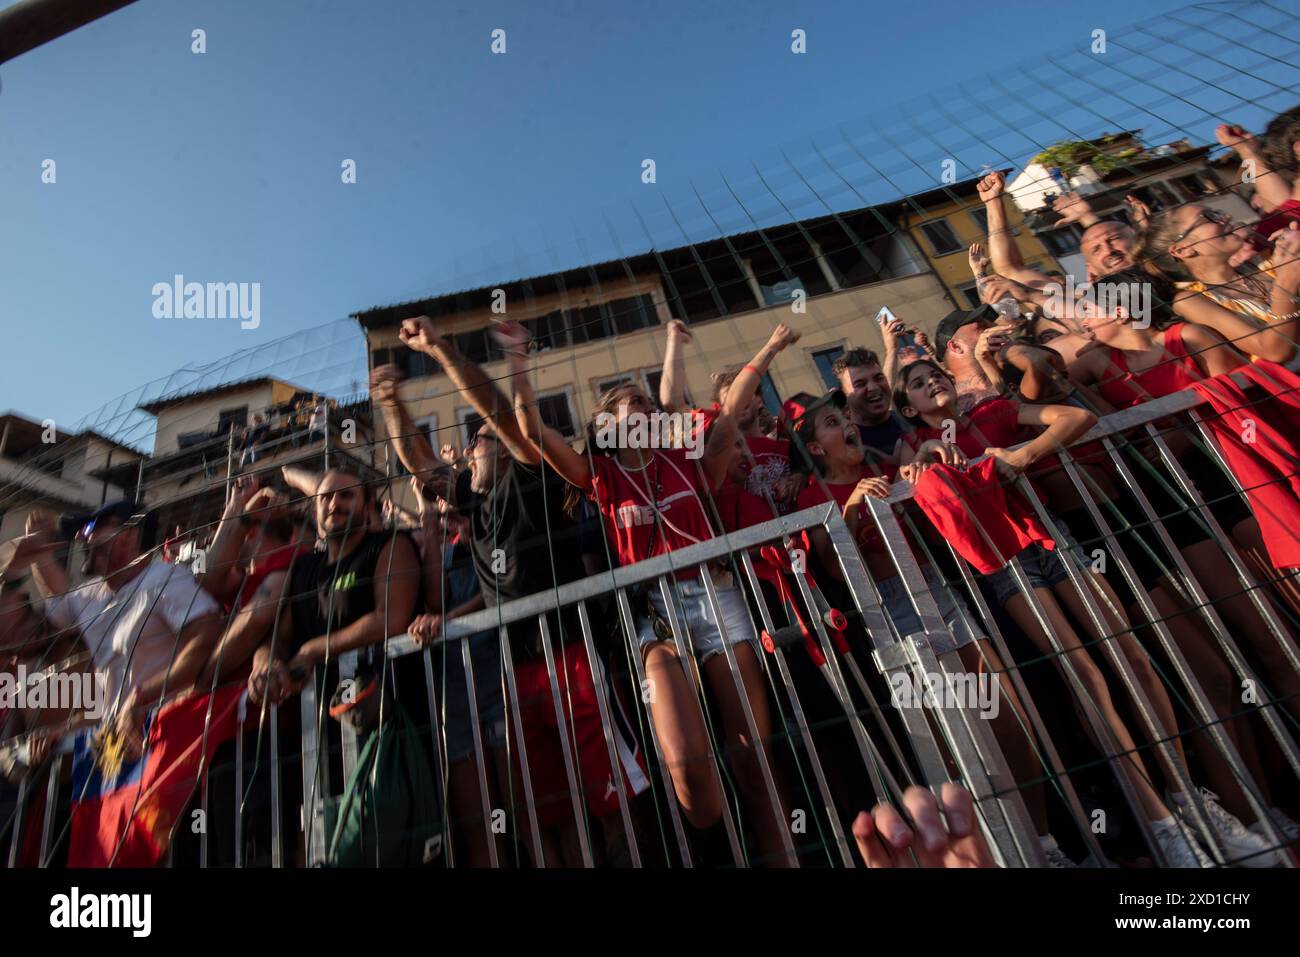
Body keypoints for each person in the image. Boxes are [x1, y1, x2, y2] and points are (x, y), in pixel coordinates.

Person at [895, 359, 1263, 866]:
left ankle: (1189, 800)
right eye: (917, 384)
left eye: (937, 373)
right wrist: (929, 453)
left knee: (1132, 657)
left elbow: (1074, 418)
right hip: (1003, 563)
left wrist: (1023, 455)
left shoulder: (997, 412)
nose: (932, 383)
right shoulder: (916, 449)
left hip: (1052, 537)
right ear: (908, 406)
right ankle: (1161, 822)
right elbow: (911, 479)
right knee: (1086, 675)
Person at [503, 315, 794, 866]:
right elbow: (533, 430)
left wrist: (772, 347)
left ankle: (781, 852)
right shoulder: (601, 477)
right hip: (654, 617)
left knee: (754, 761)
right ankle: (717, 837)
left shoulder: (689, 458)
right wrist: (519, 361)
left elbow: (731, 410)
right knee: (693, 784)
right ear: (607, 425)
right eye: (621, 403)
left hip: (718, 598)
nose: (635, 406)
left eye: (642, 400)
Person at [389, 314, 649, 867]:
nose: (467, 449)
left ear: (498, 448)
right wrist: (390, 400)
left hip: (570, 654)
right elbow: (417, 459)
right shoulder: (473, 501)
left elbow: (499, 413)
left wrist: (439, 350)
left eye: (477, 440)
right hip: (517, 669)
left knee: (613, 803)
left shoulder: (530, 476)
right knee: (555, 810)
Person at [787, 389, 1079, 863]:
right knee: (946, 741)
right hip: (886, 611)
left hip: (936, 588)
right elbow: (837, 570)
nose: (847, 424)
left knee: (1009, 717)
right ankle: (987, 853)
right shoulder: (812, 495)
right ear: (817, 448)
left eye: (846, 416)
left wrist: (921, 459)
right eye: (832, 422)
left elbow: (921, 466)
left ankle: (1042, 845)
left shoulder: (881, 464)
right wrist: (855, 508)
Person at [1138, 203, 1300, 348]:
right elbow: (1272, 350)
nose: (1226, 217)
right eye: (1208, 217)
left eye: (1216, 212)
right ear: (1182, 250)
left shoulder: (1265, 262)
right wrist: (1286, 282)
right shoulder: (1192, 300)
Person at [832, 347, 907, 462]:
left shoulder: (913, 423)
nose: (874, 387)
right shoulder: (844, 447)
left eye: (879, 378)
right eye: (860, 384)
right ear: (844, 395)